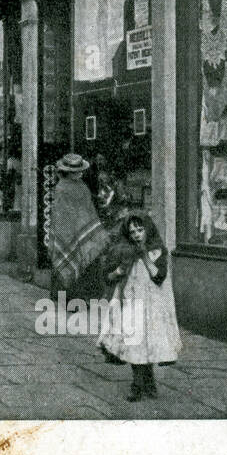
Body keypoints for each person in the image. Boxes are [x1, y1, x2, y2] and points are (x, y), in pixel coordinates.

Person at [97, 212, 182, 401]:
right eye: (132, 231)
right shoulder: (124, 250)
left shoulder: (157, 250)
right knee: (134, 342)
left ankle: (147, 381)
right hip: (130, 302)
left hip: (152, 304)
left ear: (148, 229)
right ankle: (138, 384)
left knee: (148, 342)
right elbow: (109, 276)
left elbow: (158, 276)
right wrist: (119, 269)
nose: (136, 234)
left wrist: (144, 255)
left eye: (140, 229)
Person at [46, 153, 111, 301]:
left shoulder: (78, 186)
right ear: (68, 172)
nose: (80, 173)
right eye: (76, 171)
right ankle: (76, 297)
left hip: (81, 226)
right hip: (73, 228)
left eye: (80, 170)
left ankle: (76, 297)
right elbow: (61, 211)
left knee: (82, 260)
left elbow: (87, 207)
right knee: (83, 260)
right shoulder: (62, 188)